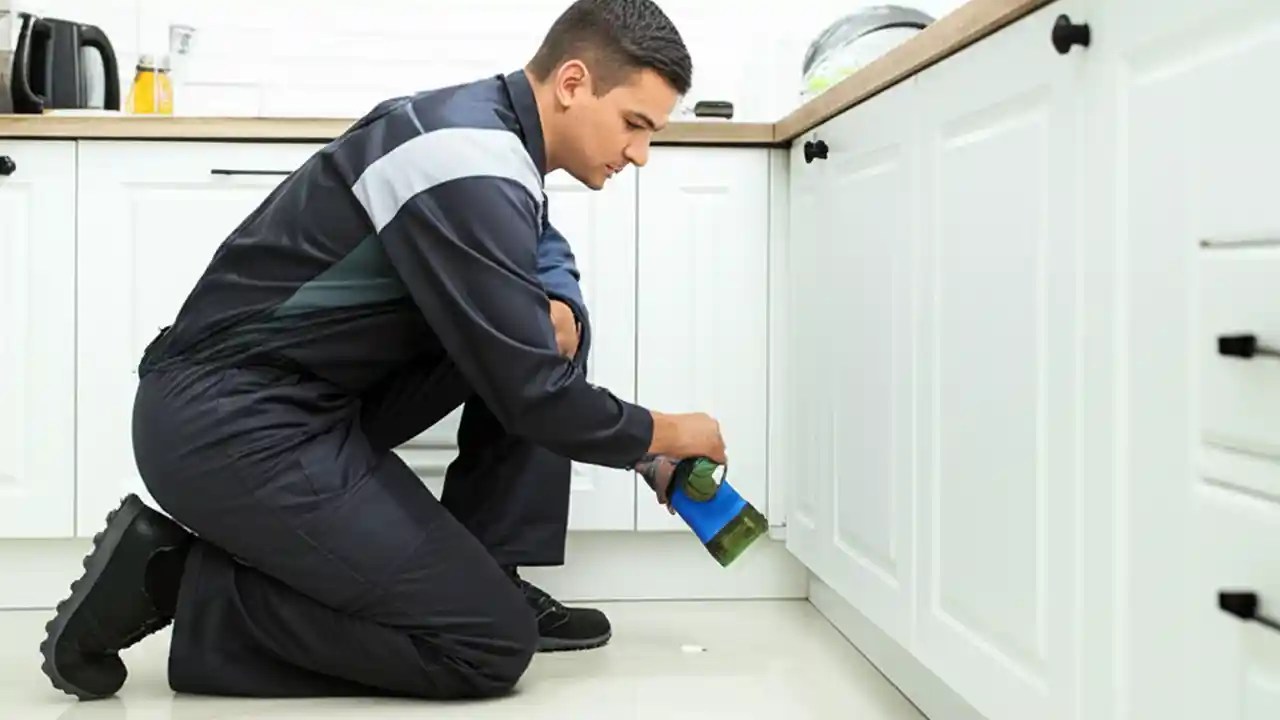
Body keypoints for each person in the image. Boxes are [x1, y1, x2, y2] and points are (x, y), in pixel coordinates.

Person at [40, 0, 727, 702]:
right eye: (634, 124)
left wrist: (562, 309)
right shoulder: (464, 161)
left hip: (301, 403)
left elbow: (543, 247)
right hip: (230, 424)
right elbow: (532, 396)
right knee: (487, 647)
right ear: (573, 83)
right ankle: (173, 579)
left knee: (546, 326)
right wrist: (663, 436)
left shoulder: (486, 135)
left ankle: (488, 571)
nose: (640, 153)